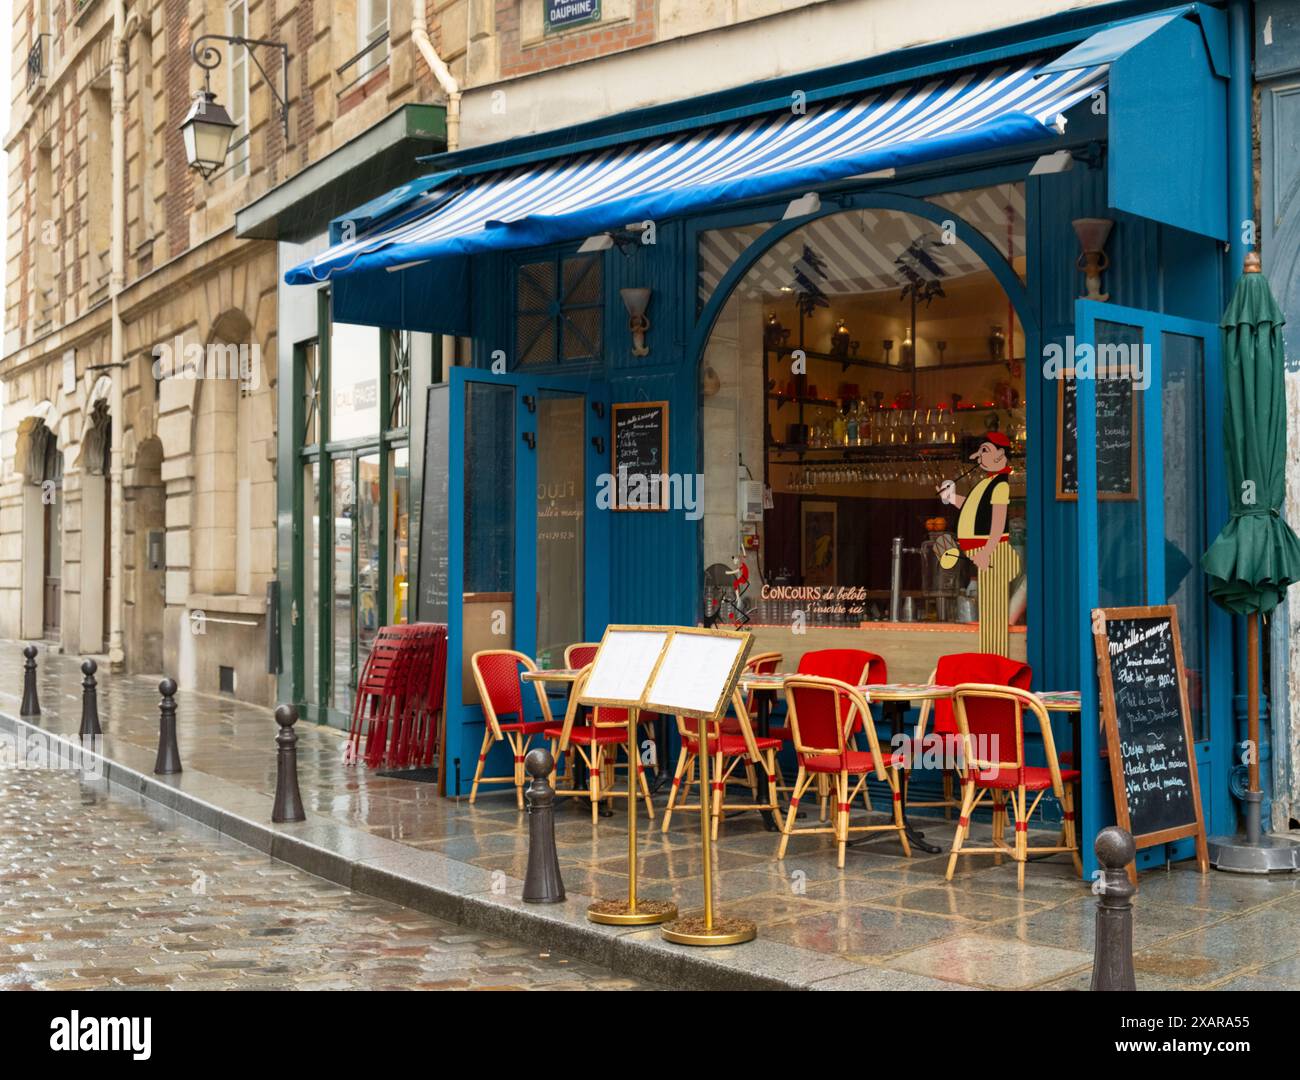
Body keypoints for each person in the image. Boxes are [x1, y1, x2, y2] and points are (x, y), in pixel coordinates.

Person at [937, 431, 1019, 655]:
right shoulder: (988, 482)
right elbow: (973, 508)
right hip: (983, 553)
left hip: (993, 554)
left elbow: (998, 522)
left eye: (986, 451)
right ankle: (990, 657)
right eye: (980, 451)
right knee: (989, 609)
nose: (980, 456)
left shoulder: (1000, 484)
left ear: (1001, 453)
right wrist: (951, 497)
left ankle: (994, 658)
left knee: (993, 614)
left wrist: (987, 551)